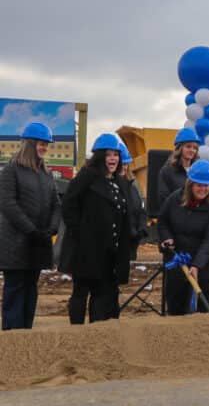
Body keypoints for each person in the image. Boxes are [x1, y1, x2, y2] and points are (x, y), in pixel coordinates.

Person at [61, 134, 133, 324]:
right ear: (100, 156)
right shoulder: (87, 177)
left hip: (108, 252)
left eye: (116, 155)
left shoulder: (118, 183)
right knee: (81, 292)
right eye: (108, 155)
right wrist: (79, 233)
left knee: (101, 295)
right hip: (85, 250)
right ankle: (76, 332)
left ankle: (95, 333)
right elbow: (69, 205)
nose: (113, 159)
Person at [0, 123, 61, 330]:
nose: (44, 148)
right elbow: (8, 204)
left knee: (30, 290)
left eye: (46, 144)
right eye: (42, 144)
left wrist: (51, 229)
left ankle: (27, 335)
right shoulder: (11, 170)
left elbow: (56, 205)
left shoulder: (45, 174)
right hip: (15, 245)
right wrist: (31, 231)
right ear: (30, 144)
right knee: (15, 291)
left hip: (37, 244)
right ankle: (12, 339)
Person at [157, 160, 209, 315]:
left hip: (206, 263)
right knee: (176, 303)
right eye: (199, 185)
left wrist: (197, 265)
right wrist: (167, 238)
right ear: (190, 184)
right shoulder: (175, 198)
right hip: (179, 258)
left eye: (206, 185)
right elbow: (163, 220)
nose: (203, 189)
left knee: (204, 306)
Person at [113, 142, 148, 319]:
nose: (124, 167)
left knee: (121, 279)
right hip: (117, 242)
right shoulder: (111, 185)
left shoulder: (133, 185)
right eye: (122, 163)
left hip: (130, 242)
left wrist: (141, 228)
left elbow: (140, 209)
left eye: (126, 164)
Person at [157, 127, 201, 211]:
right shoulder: (167, 171)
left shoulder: (198, 170)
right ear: (179, 148)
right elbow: (164, 200)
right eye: (188, 147)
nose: (192, 150)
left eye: (195, 148)